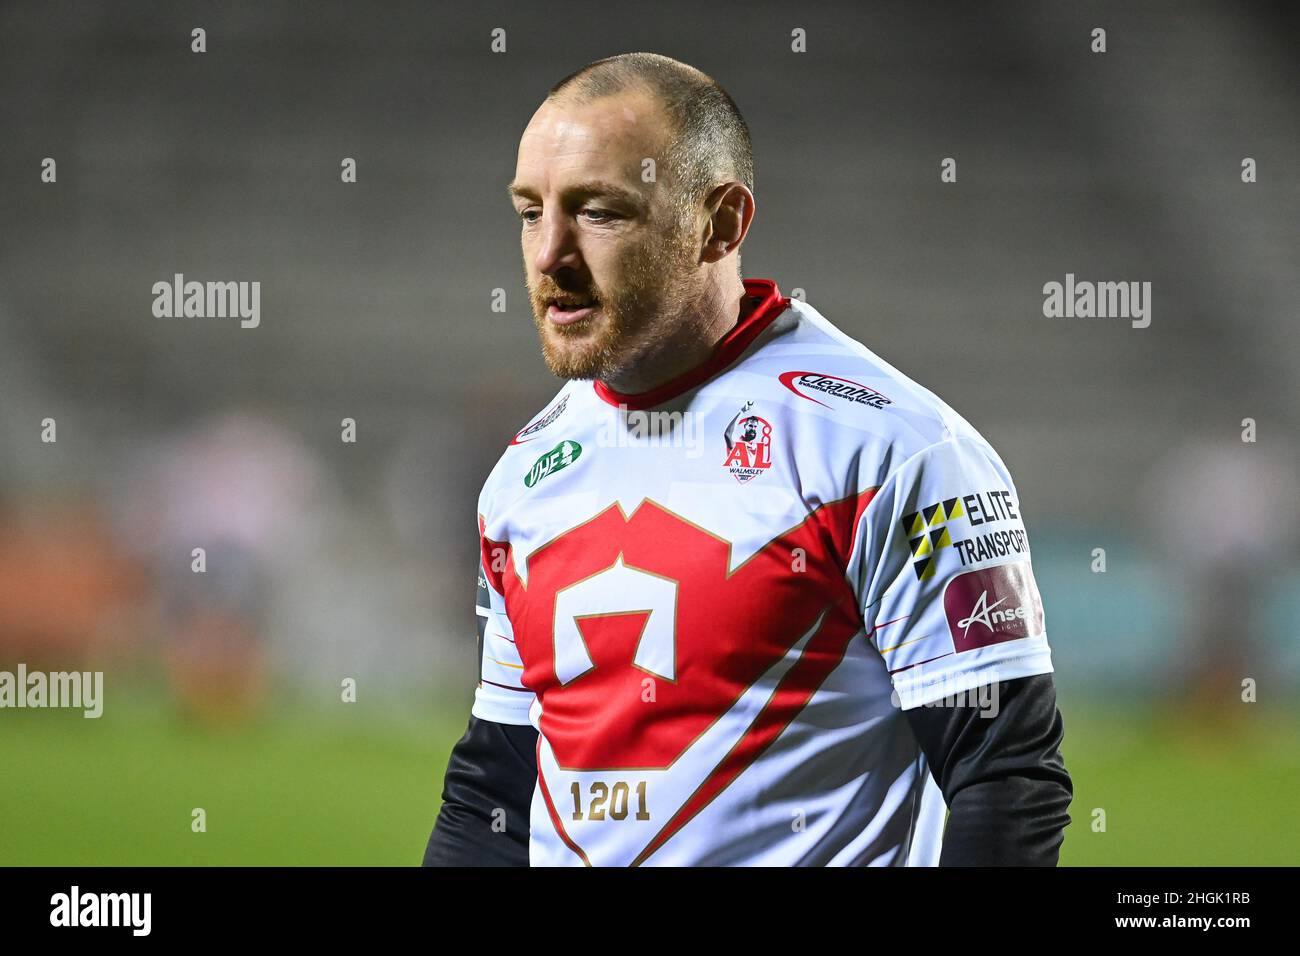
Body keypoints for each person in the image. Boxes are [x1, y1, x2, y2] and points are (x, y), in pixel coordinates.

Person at [424, 52, 1071, 867]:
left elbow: (1004, 779)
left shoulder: (892, 453)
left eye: (598, 212)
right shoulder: (524, 476)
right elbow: (497, 792)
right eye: (529, 212)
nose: (550, 254)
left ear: (722, 222)